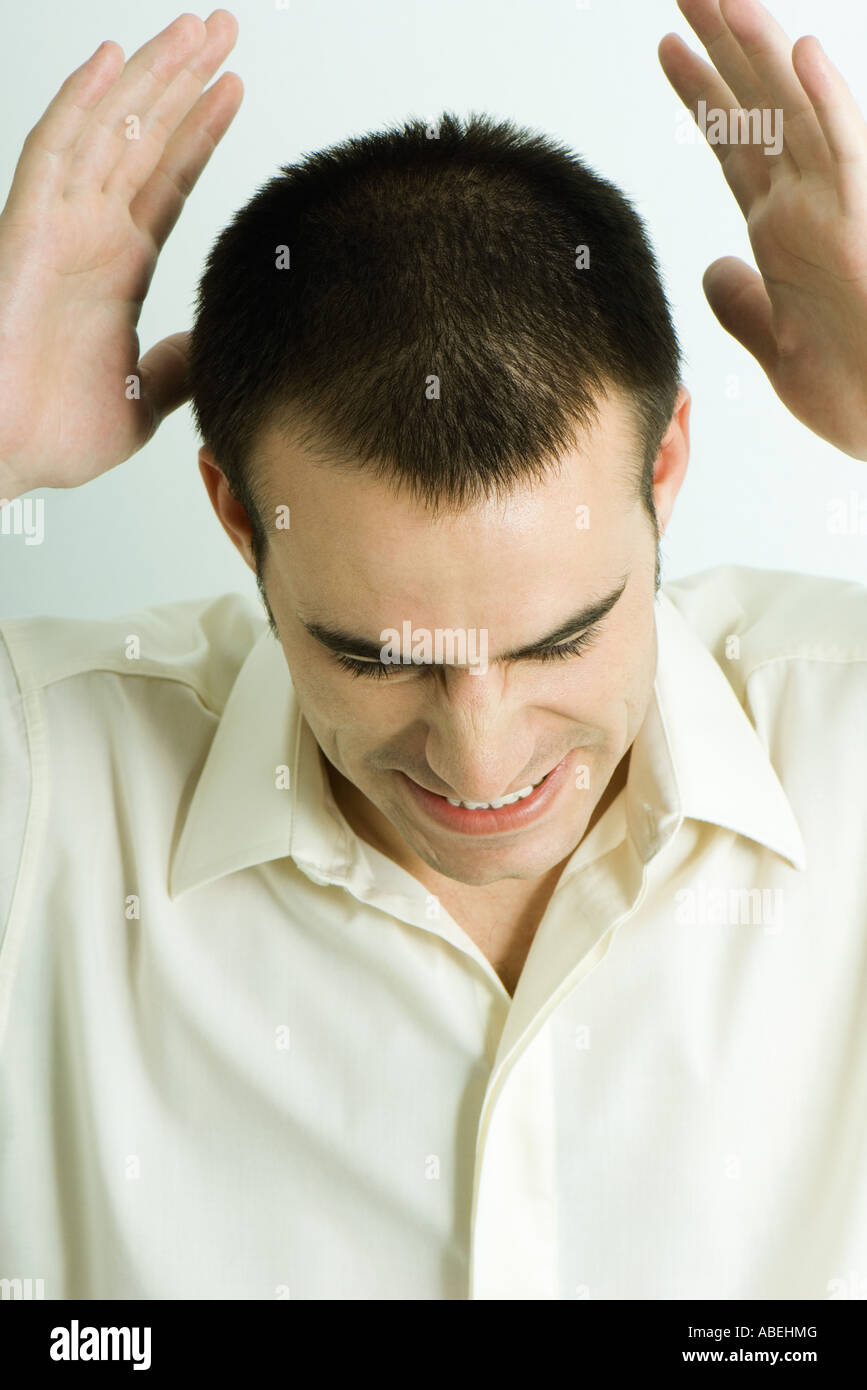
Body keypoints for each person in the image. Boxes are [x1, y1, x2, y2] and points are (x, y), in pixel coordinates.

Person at [1, 0, 866, 1300]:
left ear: (667, 465)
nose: (482, 751)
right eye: (381, 659)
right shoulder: (48, 786)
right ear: (240, 516)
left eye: (562, 638)